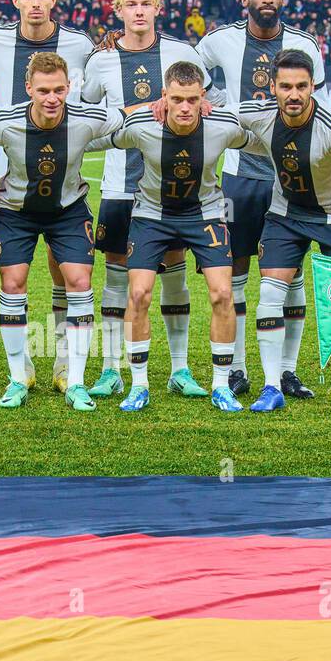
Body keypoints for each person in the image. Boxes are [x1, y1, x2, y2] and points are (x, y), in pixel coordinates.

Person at [0, 51, 138, 410]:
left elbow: (126, 114)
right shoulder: (5, 121)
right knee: (13, 284)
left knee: (79, 281)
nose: (52, 98)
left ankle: (75, 381)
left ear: (68, 87)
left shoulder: (86, 118)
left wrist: (167, 102)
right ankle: (18, 377)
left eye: (59, 90)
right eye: (44, 90)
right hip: (16, 213)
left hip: (68, 211)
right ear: (29, 88)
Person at [81, 0, 225, 402]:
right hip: (119, 183)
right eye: (131, 4)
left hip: (174, 188)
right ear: (119, 10)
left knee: (175, 275)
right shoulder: (100, 61)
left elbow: (208, 102)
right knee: (118, 278)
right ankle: (111, 369)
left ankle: (179, 369)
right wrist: (142, 108)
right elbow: (90, 119)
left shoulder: (182, 53)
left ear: (158, 7)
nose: (139, 11)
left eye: (147, 3)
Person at [196, 0, 327, 399]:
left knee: (289, 276)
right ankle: (236, 368)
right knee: (234, 272)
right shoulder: (220, 40)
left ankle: (287, 370)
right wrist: (216, 105)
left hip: (289, 178)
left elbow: (319, 106)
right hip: (239, 175)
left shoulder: (305, 44)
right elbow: (188, 75)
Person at [0, 0, 94, 392]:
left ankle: (64, 366)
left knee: (67, 274)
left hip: (63, 174)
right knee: (14, 279)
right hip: (10, 183)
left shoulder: (79, 44)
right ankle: (21, 369)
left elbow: (99, 85)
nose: (36, 4)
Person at [113, 61, 263, 413]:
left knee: (223, 293)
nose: (184, 107)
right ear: (163, 96)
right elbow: (93, 133)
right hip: (151, 214)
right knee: (138, 293)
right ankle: (139, 385)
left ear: (202, 98)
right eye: (177, 99)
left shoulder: (222, 126)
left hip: (206, 213)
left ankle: (221, 386)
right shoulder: (142, 125)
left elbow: (264, 140)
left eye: (192, 99)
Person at [233, 50, 331, 417]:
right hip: (285, 215)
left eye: (301, 86)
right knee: (268, 292)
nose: (293, 94)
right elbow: (215, 113)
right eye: (285, 86)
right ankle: (271, 385)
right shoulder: (259, 114)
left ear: (313, 87)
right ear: (272, 87)